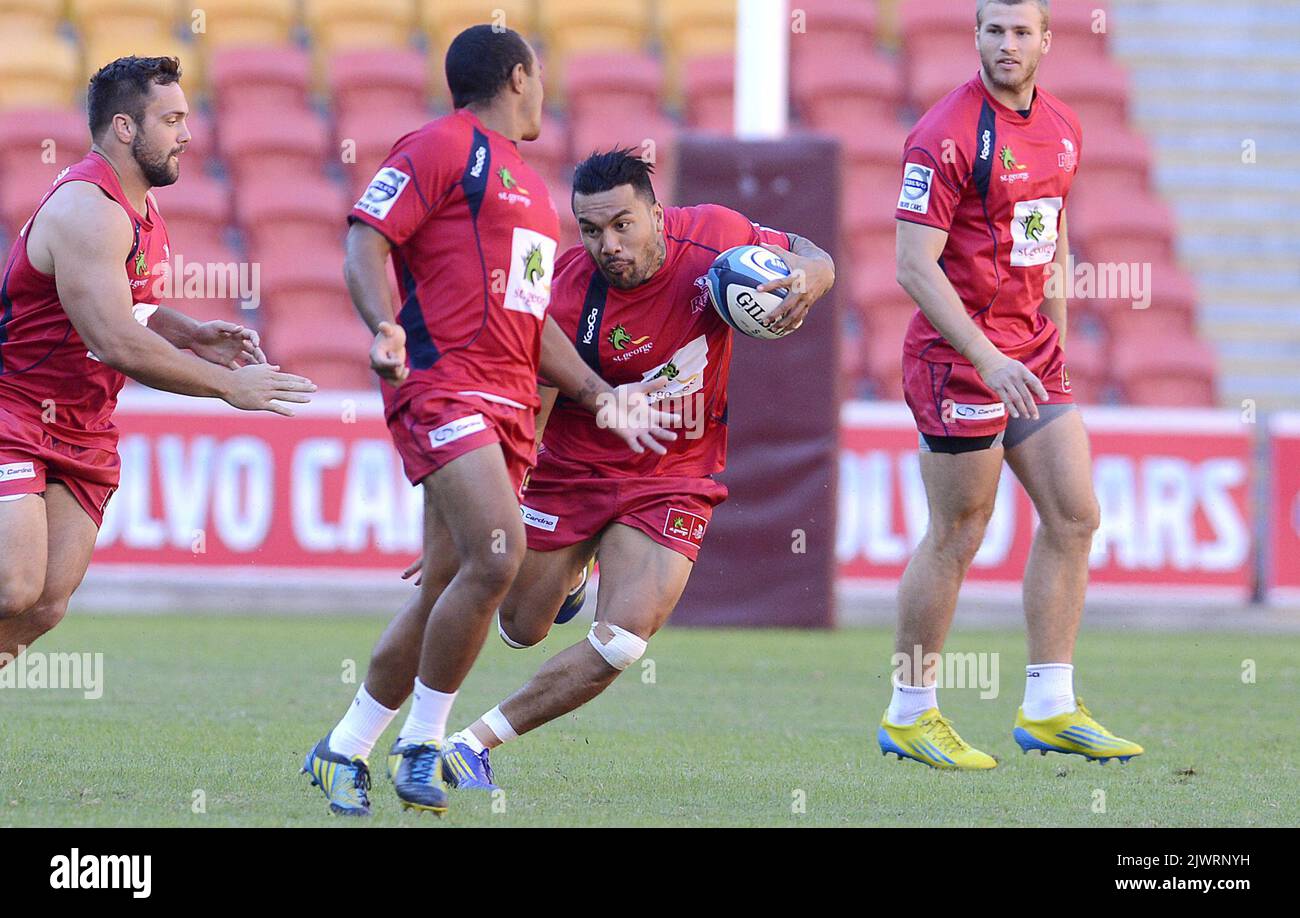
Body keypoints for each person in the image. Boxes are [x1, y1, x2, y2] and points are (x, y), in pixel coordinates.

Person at [302, 30, 675, 817]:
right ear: (517, 76)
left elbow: (533, 321)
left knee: (449, 581)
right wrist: (383, 324)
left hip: (507, 408)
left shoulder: (532, 195)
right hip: (445, 386)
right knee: (500, 552)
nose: (547, 90)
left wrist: (599, 392)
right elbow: (367, 237)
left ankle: (343, 747)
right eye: (541, 75)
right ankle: (424, 743)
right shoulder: (441, 146)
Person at [418, 147, 836, 790]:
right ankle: (574, 575)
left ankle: (472, 745)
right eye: (590, 230)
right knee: (520, 628)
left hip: (676, 468)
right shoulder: (562, 293)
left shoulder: (716, 237)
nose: (607, 244)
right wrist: (480, 516)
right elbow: (531, 419)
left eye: (622, 225)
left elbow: (815, 254)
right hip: (570, 468)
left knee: (620, 643)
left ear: (657, 215)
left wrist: (808, 277)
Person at [884, 0, 1142, 769]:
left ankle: (1050, 705)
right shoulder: (945, 134)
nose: (1007, 43)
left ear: (1045, 41)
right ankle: (910, 710)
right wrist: (988, 357)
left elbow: (1049, 233)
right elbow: (911, 265)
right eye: (994, 30)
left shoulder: (1063, 126)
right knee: (960, 531)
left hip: (1031, 353)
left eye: (1021, 31)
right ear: (976, 38)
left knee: (1075, 513)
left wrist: (1051, 333)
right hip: (956, 360)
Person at [0, 57, 313, 671]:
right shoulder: (88, 211)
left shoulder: (140, 211)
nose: (186, 135)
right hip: (14, 408)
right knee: (13, 584)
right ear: (123, 126)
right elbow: (115, 340)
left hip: (81, 425)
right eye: (170, 120)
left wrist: (191, 333)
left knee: (43, 607)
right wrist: (228, 386)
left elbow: (131, 311)